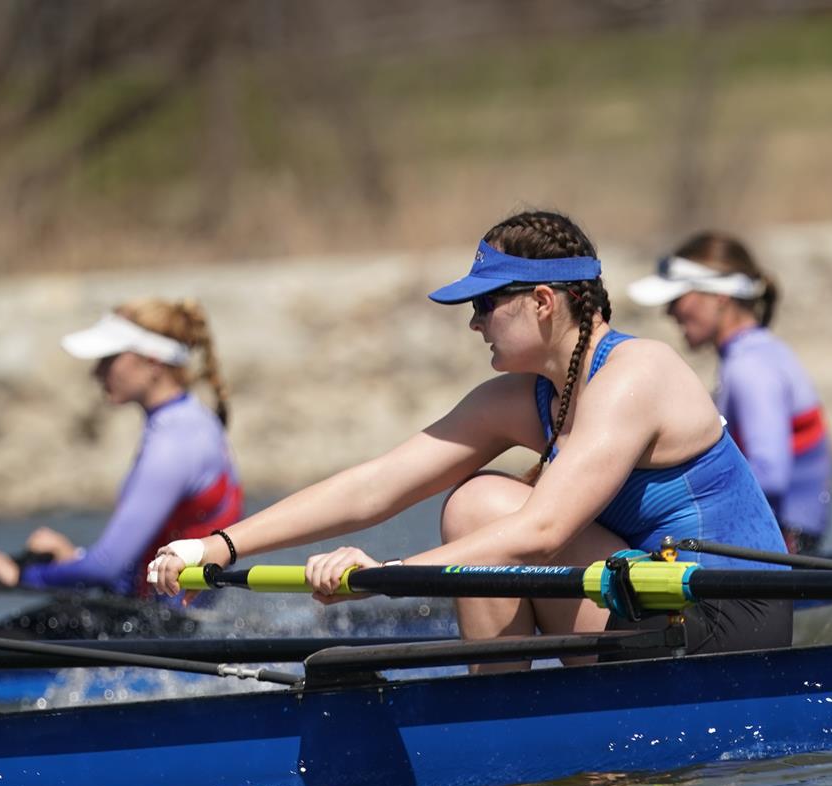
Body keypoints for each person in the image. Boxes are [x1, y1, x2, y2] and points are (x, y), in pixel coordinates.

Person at [148, 209, 792, 658]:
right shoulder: (523, 399)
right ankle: (494, 705)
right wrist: (219, 546)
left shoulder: (636, 373)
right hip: (644, 606)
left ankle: (497, 720)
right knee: (478, 500)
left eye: (485, 304)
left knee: (483, 507)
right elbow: (375, 487)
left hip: (726, 617)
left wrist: (387, 575)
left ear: (543, 301)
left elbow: (542, 531)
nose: (474, 323)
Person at [0, 299, 242, 597]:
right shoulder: (193, 419)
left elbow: (106, 568)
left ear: (152, 362)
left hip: (159, 626)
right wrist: (73, 558)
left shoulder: (172, 442)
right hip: (164, 615)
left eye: (108, 358)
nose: (96, 372)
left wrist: (20, 575)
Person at [629, 232, 832, 552]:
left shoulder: (750, 367)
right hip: (788, 535)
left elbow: (771, 477)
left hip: (786, 543)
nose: (669, 312)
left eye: (677, 298)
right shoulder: (758, 351)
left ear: (719, 296)